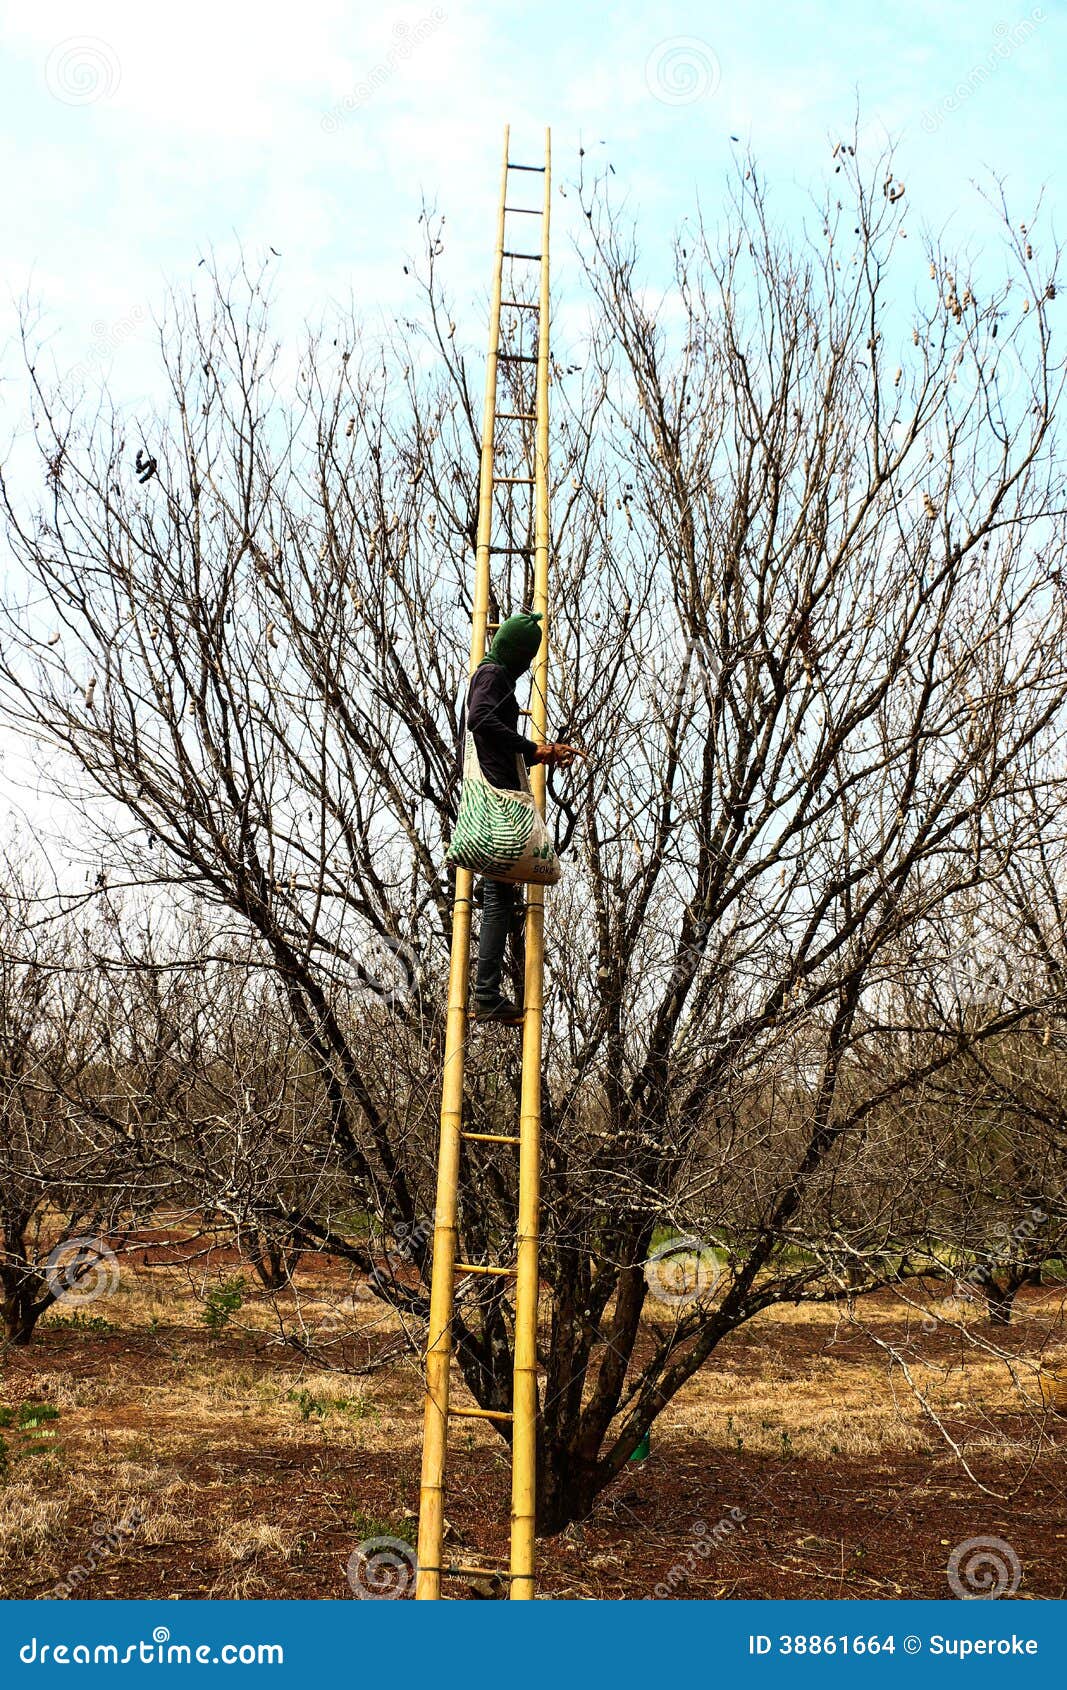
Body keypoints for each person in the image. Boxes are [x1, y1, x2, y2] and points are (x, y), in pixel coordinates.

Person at [460, 610, 582, 1025]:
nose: (528, 666)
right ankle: (486, 992)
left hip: (495, 797)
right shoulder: (492, 674)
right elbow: (480, 719)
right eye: (526, 656)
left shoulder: (490, 674)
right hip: (498, 804)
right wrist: (534, 750)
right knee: (498, 896)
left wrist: (540, 750)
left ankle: (487, 990)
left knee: (499, 896)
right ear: (515, 652)